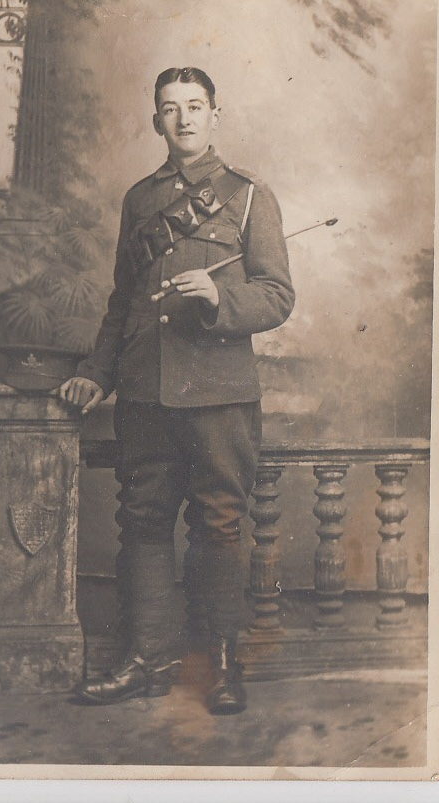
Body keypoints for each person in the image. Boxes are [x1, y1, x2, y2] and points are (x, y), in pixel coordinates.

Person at [59, 66, 295, 714]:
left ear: (215, 113)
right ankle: (145, 659)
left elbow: (277, 295)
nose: (183, 118)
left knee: (219, 523)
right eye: (170, 108)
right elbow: (121, 302)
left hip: (219, 396)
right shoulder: (140, 200)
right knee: (142, 521)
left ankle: (221, 661)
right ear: (155, 119)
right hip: (145, 395)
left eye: (195, 106)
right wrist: (95, 372)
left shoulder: (248, 196)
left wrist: (221, 296)